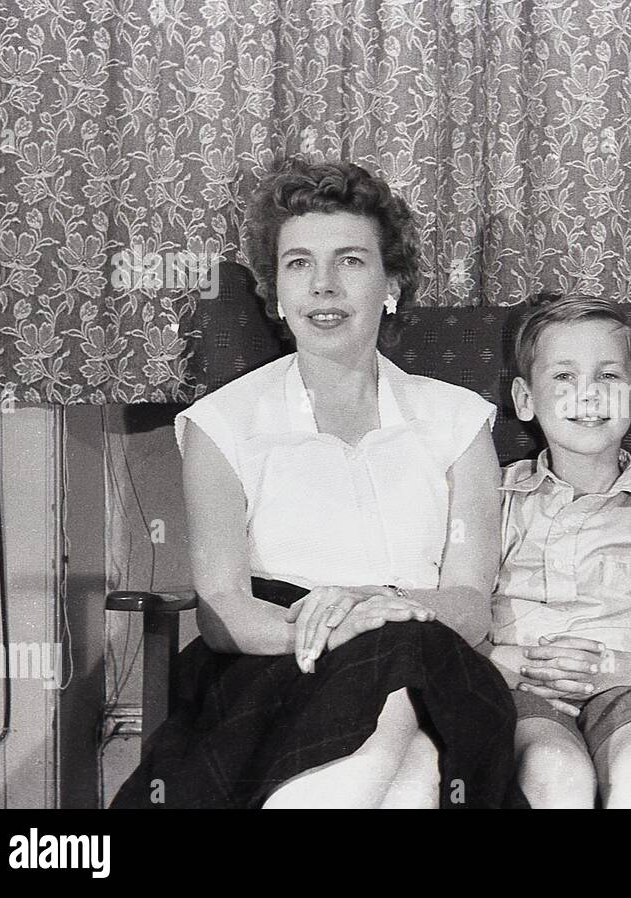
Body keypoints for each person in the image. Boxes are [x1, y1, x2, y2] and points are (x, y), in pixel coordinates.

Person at [112, 158, 521, 809]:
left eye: (351, 261)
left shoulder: (458, 421)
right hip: (274, 669)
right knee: (412, 778)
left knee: (405, 661)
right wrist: (343, 632)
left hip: (432, 659)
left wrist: (385, 609)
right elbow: (223, 611)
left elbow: (470, 604)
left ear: (392, 282)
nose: (323, 286)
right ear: (276, 293)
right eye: (299, 264)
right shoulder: (223, 424)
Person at [484, 295, 631, 808]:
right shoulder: (494, 496)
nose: (589, 395)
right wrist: (505, 661)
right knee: (555, 770)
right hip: (521, 684)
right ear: (525, 399)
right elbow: (458, 607)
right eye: (564, 377)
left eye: (610, 377)